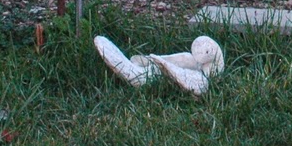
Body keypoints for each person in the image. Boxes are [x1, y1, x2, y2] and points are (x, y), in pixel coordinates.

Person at [93, 34, 224, 96]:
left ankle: (134, 71)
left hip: (160, 70)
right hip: (155, 71)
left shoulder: (203, 76)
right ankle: (134, 72)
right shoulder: (202, 77)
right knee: (186, 59)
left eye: (206, 52)